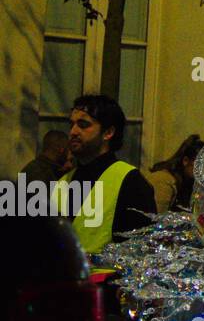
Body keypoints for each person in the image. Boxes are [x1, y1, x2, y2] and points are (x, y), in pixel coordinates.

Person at [57, 94, 156, 254]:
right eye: (72, 124)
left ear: (108, 132)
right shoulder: (63, 181)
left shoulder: (130, 181)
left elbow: (141, 254)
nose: (73, 132)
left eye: (83, 125)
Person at [144, 134, 203, 211]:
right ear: (186, 161)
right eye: (200, 165)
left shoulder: (190, 185)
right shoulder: (164, 181)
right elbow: (155, 217)